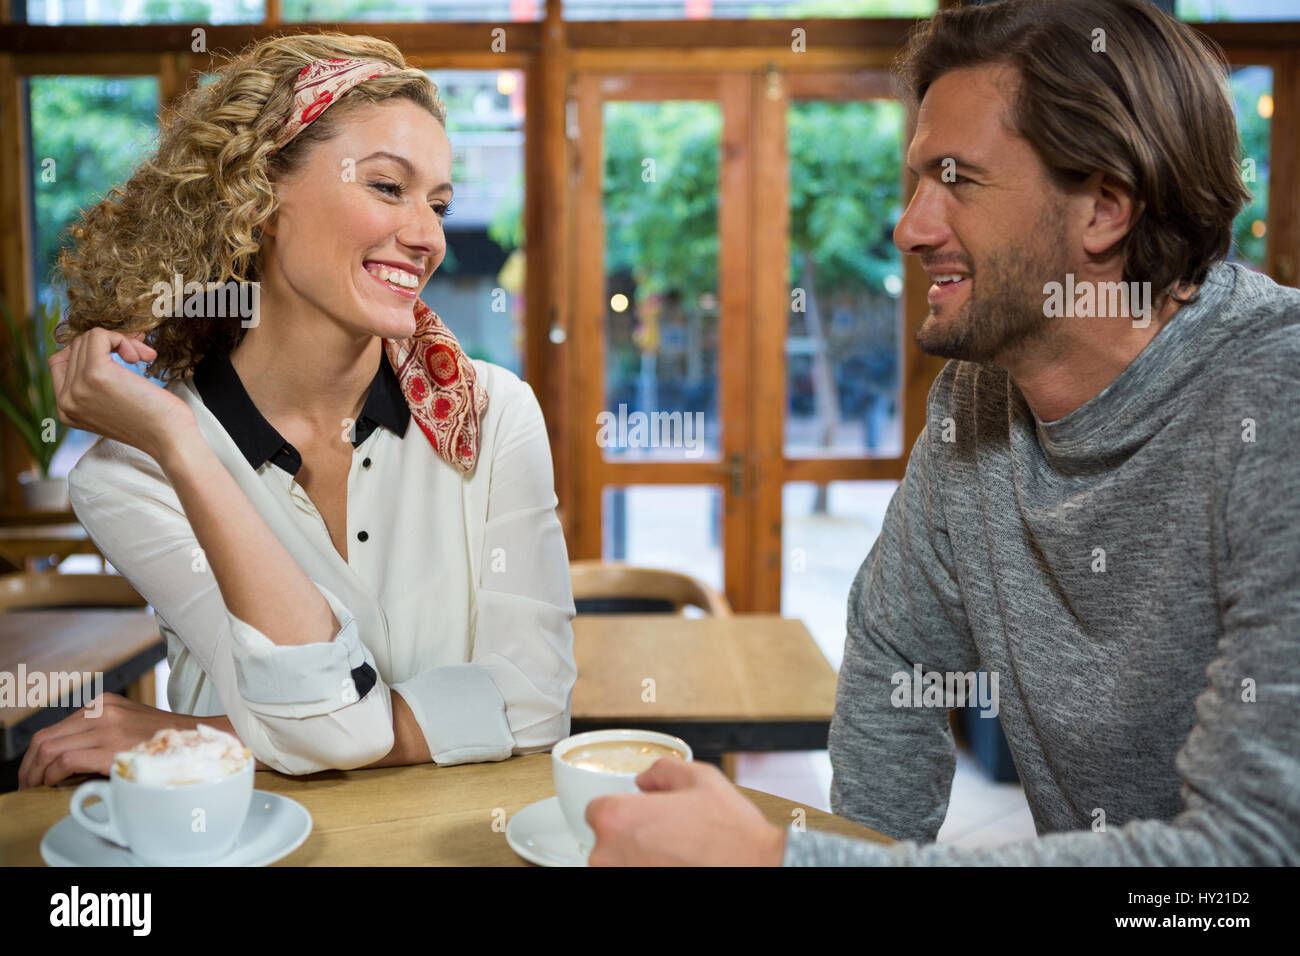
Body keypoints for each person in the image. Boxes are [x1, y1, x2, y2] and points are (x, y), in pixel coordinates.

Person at [585, 0, 1300, 865]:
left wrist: (784, 863)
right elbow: (896, 656)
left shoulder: (1277, 400)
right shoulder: (974, 401)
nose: (910, 227)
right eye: (919, 179)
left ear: (1106, 208)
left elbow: (1245, 862)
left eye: (957, 178)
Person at [19, 35, 577, 788]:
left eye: (439, 203)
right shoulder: (139, 471)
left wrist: (202, 732)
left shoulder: (495, 413)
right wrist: (183, 445)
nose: (429, 236)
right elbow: (328, 723)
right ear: (259, 198)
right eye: (388, 188)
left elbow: (536, 703)